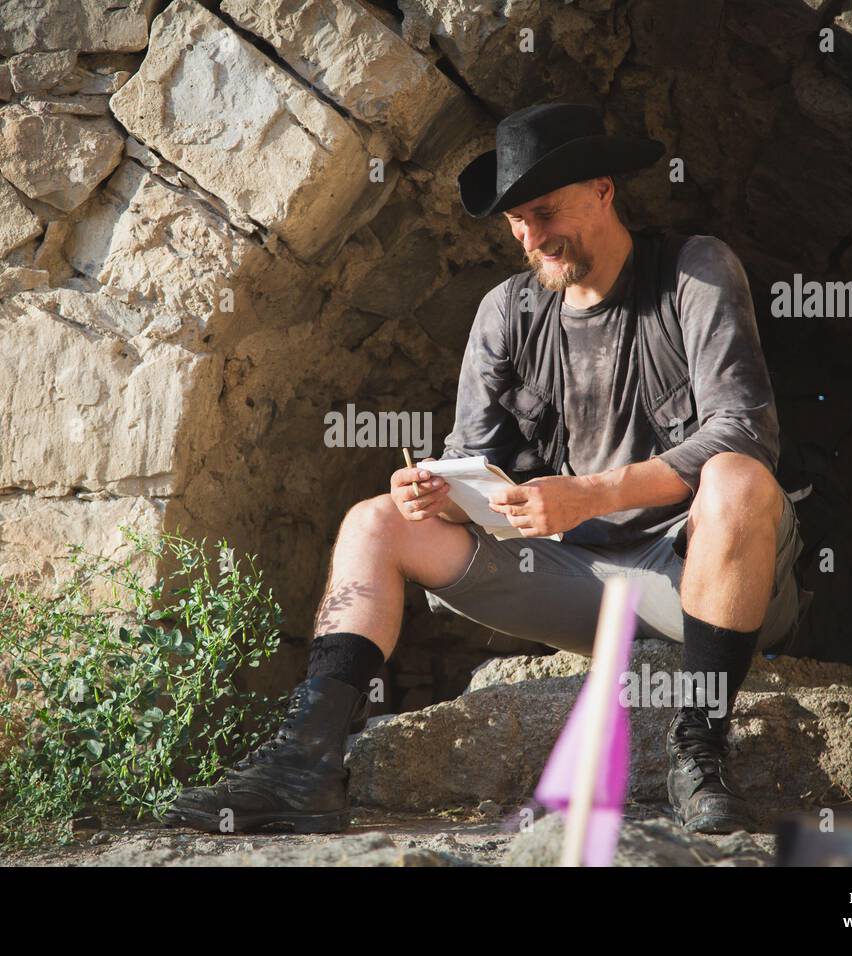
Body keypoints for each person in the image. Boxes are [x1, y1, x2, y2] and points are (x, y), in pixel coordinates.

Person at [163, 101, 803, 836]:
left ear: (602, 188)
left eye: (542, 210)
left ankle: (700, 752)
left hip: (707, 574)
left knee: (737, 477)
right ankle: (304, 763)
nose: (531, 237)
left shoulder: (696, 270)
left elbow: (744, 430)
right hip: (581, 582)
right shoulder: (505, 311)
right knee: (376, 520)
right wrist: (440, 493)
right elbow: (478, 465)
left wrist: (590, 494)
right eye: (515, 223)